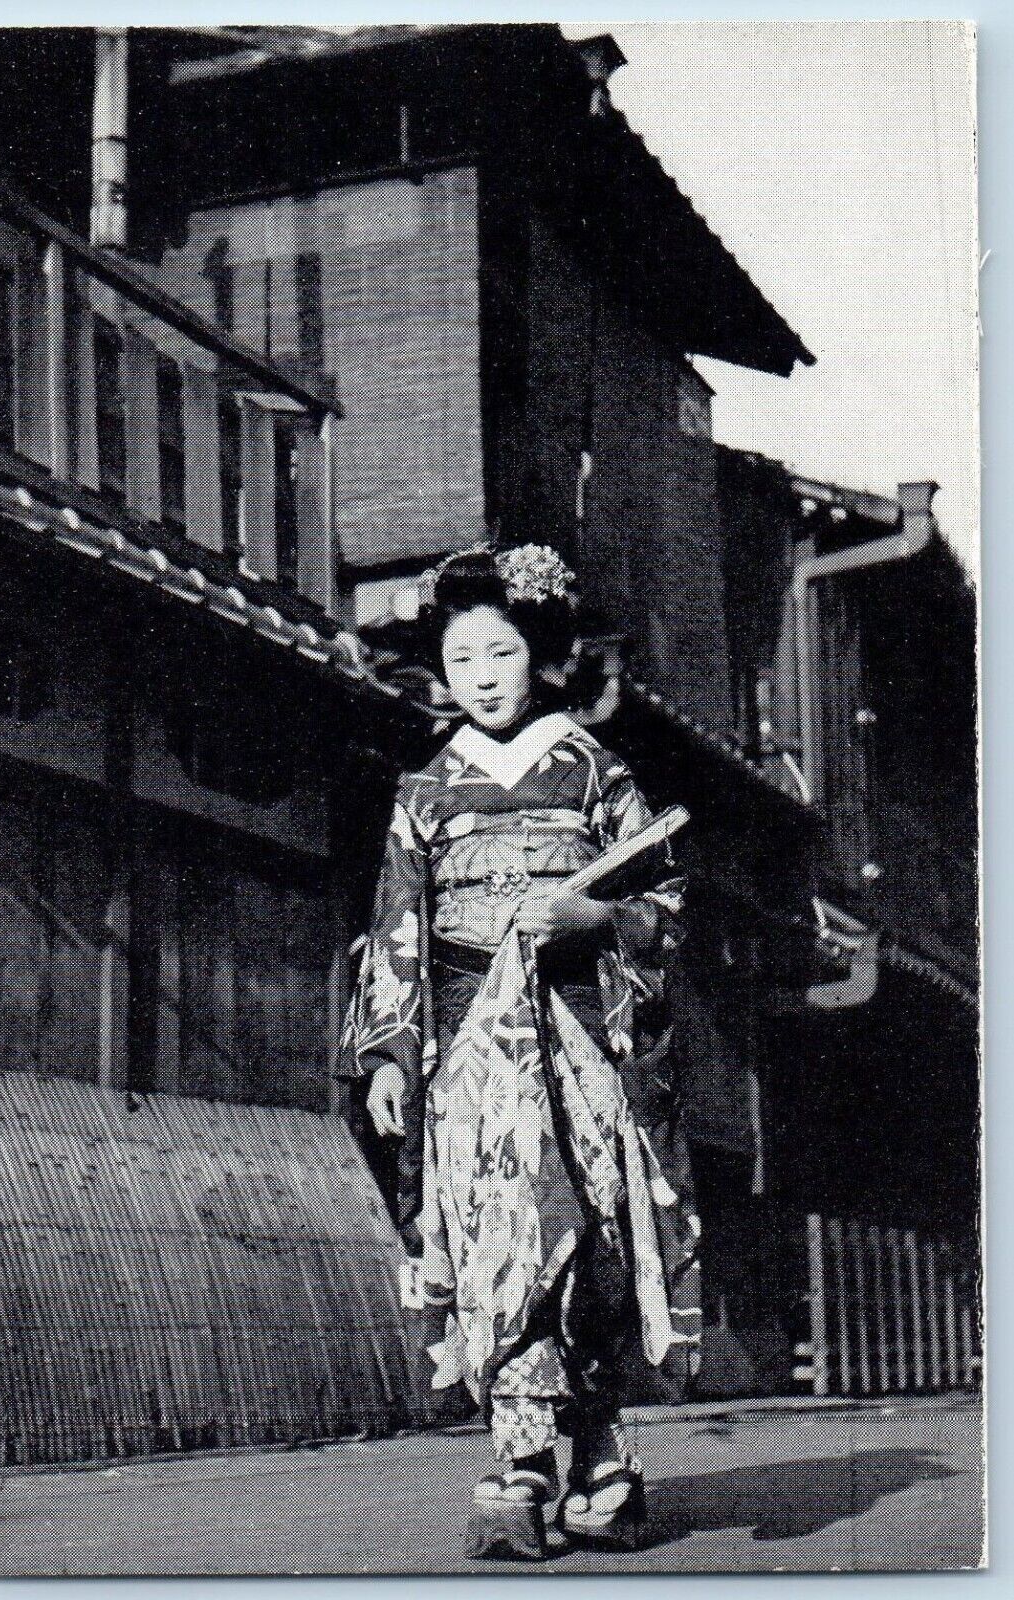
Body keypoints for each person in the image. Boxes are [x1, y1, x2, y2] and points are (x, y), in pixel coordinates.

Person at [339, 545, 700, 1558]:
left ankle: (599, 1449)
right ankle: (525, 1451)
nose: (483, 674)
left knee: (589, 1235)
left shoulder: (594, 770)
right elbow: (398, 926)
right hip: (468, 1046)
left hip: (580, 1029)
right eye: (462, 658)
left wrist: (593, 911)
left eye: (501, 650)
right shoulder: (427, 790)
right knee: (500, 1226)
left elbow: (664, 902)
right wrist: (390, 1059)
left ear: (543, 654)